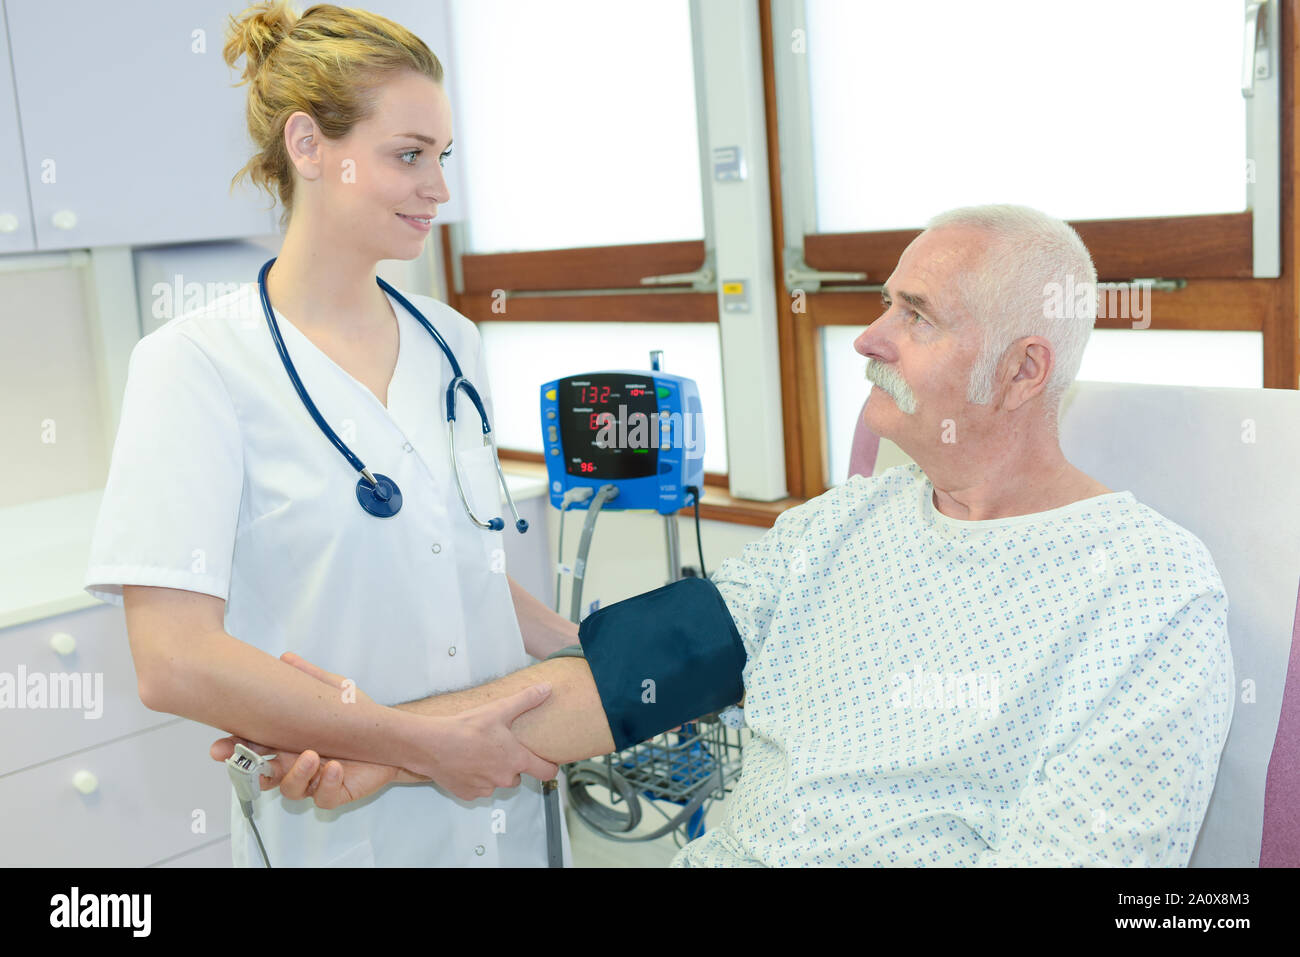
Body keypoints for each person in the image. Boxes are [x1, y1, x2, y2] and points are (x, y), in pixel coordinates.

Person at [216, 204, 1235, 866]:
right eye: (883, 302)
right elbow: (630, 676)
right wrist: (382, 744)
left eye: (916, 317)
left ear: (1020, 373)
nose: (870, 338)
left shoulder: (1145, 590)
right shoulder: (843, 525)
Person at [84, 0, 576, 867]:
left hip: (506, 800)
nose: (440, 188)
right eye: (409, 156)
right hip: (349, 832)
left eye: (443, 157)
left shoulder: (450, 341)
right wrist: (419, 745)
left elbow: (462, 560)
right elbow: (172, 658)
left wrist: (584, 648)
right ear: (309, 147)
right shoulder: (194, 364)